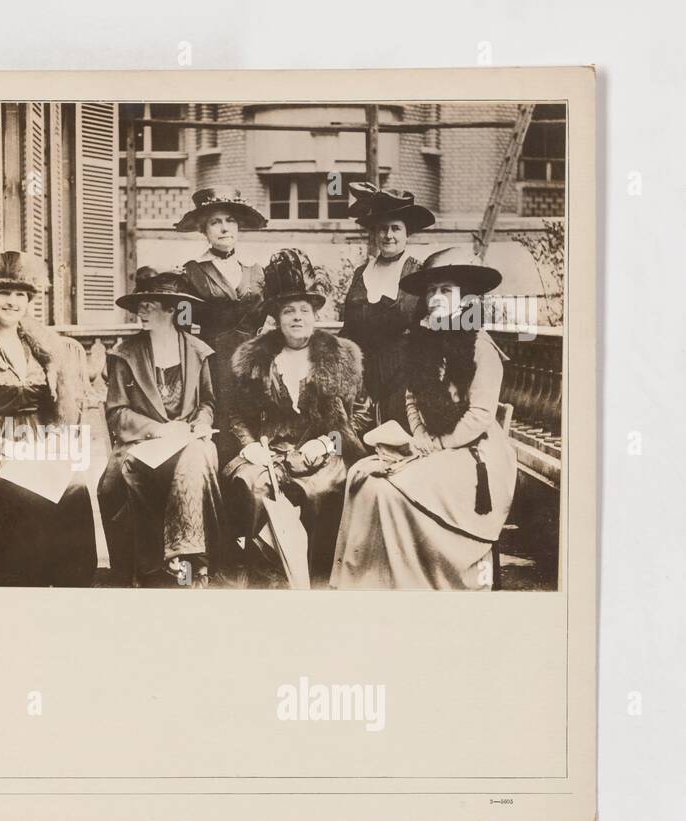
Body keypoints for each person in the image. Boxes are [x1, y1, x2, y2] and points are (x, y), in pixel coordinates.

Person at [331, 247, 518, 590]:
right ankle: (378, 579)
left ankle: (422, 576)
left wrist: (437, 444)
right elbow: (412, 398)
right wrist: (419, 439)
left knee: (388, 490)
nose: (436, 297)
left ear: (464, 299)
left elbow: (479, 415)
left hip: (474, 452)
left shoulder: (481, 346)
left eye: (446, 290)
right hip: (429, 443)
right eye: (432, 291)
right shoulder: (422, 342)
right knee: (365, 479)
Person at [0, 251, 96, 587]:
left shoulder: (39, 345)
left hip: (36, 438)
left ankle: (71, 584)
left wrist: (55, 439)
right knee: (22, 487)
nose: (11, 302)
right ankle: (16, 581)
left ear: (29, 302)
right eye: (3, 293)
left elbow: (55, 407)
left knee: (74, 485)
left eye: (20, 295)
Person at [223, 248, 368, 584]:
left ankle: (314, 575)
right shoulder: (254, 357)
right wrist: (249, 447)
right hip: (269, 448)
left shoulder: (342, 355)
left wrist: (327, 443)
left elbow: (359, 415)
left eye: (305, 310)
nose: (297, 317)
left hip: (319, 450)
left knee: (322, 488)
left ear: (316, 314)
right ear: (276, 317)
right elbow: (236, 415)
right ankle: (263, 572)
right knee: (251, 483)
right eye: (289, 311)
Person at [98, 268, 223, 587]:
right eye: (140, 305)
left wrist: (200, 423)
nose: (142, 311)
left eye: (150, 304)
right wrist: (160, 430)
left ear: (171, 309)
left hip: (191, 439)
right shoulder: (123, 354)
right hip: (140, 442)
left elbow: (208, 402)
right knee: (129, 472)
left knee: (195, 458)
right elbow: (117, 413)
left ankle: (187, 560)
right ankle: (154, 567)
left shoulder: (198, 351)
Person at [176, 187, 268, 468]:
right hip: (213, 364)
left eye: (229, 220)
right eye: (215, 222)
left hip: (252, 364)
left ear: (238, 226)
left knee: (253, 427)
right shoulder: (191, 272)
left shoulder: (256, 269)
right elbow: (182, 328)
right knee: (220, 430)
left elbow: (267, 318)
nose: (224, 228)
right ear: (204, 230)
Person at [338, 183, 435, 427]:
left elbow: (431, 328)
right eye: (382, 229)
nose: (388, 235)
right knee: (359, 441)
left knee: (397, 442)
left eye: (395, 228)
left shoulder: (418, 272)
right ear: (374, 233)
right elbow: (348, 328)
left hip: (403, 376)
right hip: (362, 377)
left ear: (407, 233)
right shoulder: (361, 272)